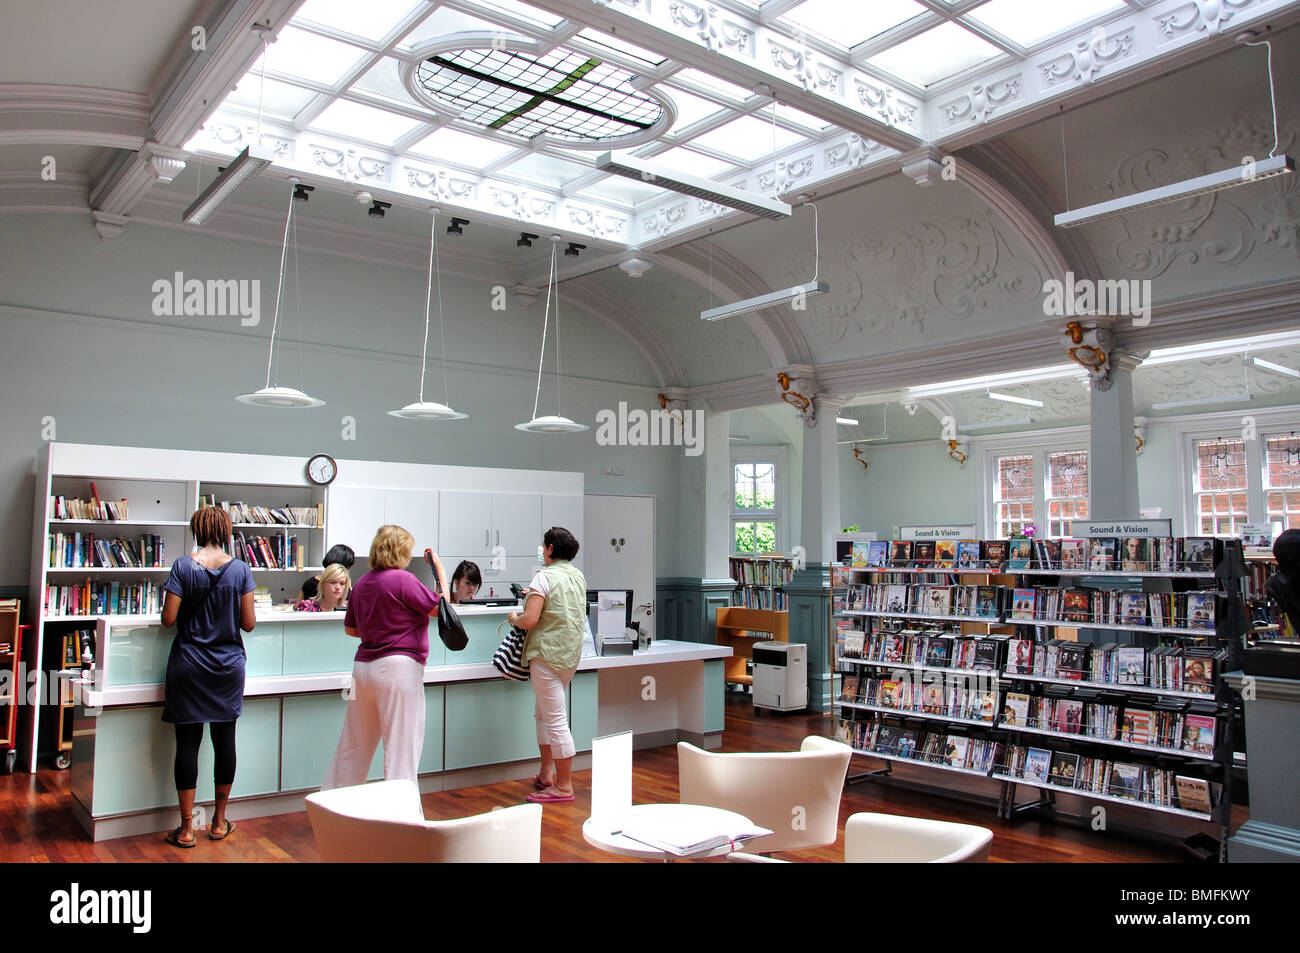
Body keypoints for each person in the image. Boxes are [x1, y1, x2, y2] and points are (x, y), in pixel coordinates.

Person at [159, 506, 256, 848]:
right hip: (227, 668)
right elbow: (248, 623)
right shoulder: (241, 569)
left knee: (187, 744)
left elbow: (168, 619)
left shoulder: (183, 567)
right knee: (224, 741)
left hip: (189, 665)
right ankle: (218, 822)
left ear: (196, 529)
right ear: (227, 530)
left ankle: (186, 829)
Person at [322, 526, 447, 789]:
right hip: (399, 669)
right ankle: (400, 819)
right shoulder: (403, 579)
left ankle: (337, 811)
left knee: (353, 744)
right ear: (399, 551)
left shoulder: (363, 582)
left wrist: (379, 629)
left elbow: (351, 629)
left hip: (363, 669)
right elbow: (441, 608)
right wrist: (440, 571)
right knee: (402, 748)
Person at [508, 526, 587, 804]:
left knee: (554, 720)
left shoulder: (543, 578)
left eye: (543, 546)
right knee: (543, 715)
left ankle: (564, 785)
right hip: (569, 656)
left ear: (551, 548)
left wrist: (513, 618)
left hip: (545, 655)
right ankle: (546, 773)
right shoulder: (577, 576)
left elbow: (530, 620)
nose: (542, 551)